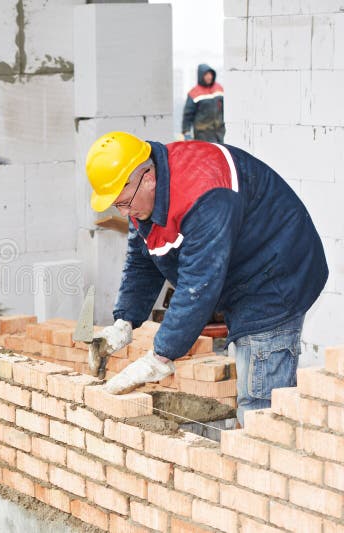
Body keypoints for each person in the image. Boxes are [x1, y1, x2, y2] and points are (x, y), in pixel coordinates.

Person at [85, 131, 327, 425]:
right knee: (248, 387)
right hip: (240, 266)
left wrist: (160, 356)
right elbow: (142, 257)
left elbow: (197, 285)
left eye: (124, 203)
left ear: (147, 176)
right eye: (117, 206)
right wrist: (125, 320)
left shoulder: (204, 194)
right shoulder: (143, 193)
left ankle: (263, 459)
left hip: (277, 273)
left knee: (260, 409)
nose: (124, 212)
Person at [181, 64, 225, 142]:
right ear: (201, 76)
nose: (209, 77)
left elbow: (225, 108)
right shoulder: (194, 93)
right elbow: (188, 115)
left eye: (210, 74)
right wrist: (186, 131)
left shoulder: (219, 88)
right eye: (206, 75)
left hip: (220, 132)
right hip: (203, 134)